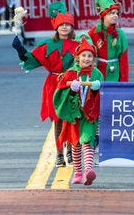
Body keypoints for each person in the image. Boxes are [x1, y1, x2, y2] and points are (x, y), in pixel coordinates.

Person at [12, 2, 78, 166]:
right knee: (57, 120)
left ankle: (70, 151)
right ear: (56, 26)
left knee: (70, 119)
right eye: (61, 24)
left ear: (72, 27)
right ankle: (59, 154)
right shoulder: (47, 45)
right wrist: (21, 51)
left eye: (67, 25)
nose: (64, 28)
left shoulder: (78, 45)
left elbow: (85, 62)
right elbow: (32, 60)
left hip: (70, 85)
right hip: (54, 84)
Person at [53, 35, 103, 185]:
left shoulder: (97, 74)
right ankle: (78, 172)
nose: (86, 59)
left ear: (93, 59)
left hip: (89, 114)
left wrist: (96, 89)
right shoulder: (70, 73)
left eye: (90, 56)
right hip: (74, 114)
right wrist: (71, 90)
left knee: (87, 140)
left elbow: (103, 93)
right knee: (75, 144)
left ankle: (88, 170)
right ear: (77, 57)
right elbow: (60, 92)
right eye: (84, 56)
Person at [88, 0, 129, 82]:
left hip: (115, 73)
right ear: (103, 15)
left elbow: (123, 59)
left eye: (116, 13)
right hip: (98, 73)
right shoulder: (93, 33)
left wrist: (124, 81)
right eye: (111, 13)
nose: (115, 16)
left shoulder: (120, 34)